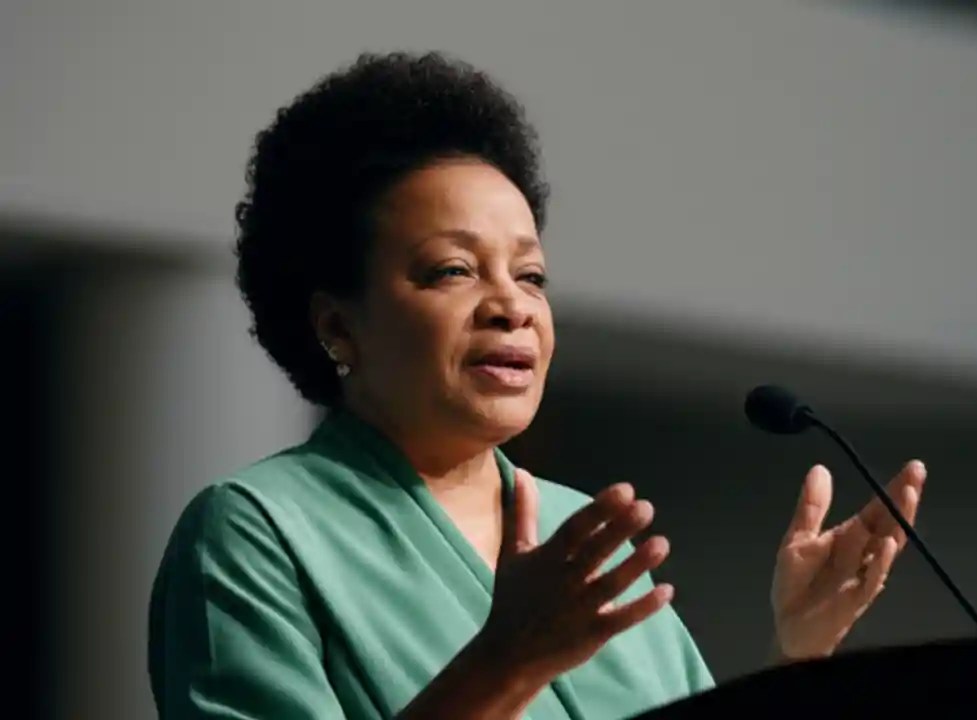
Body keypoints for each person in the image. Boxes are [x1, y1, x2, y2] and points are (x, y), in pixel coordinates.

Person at [147, 51, 928, 720]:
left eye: (530, 275)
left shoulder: (581, 534)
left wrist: (798, 653)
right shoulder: (257, 532)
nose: (512, 307)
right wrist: (505, 663)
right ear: (338, 326)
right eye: (453, 270)